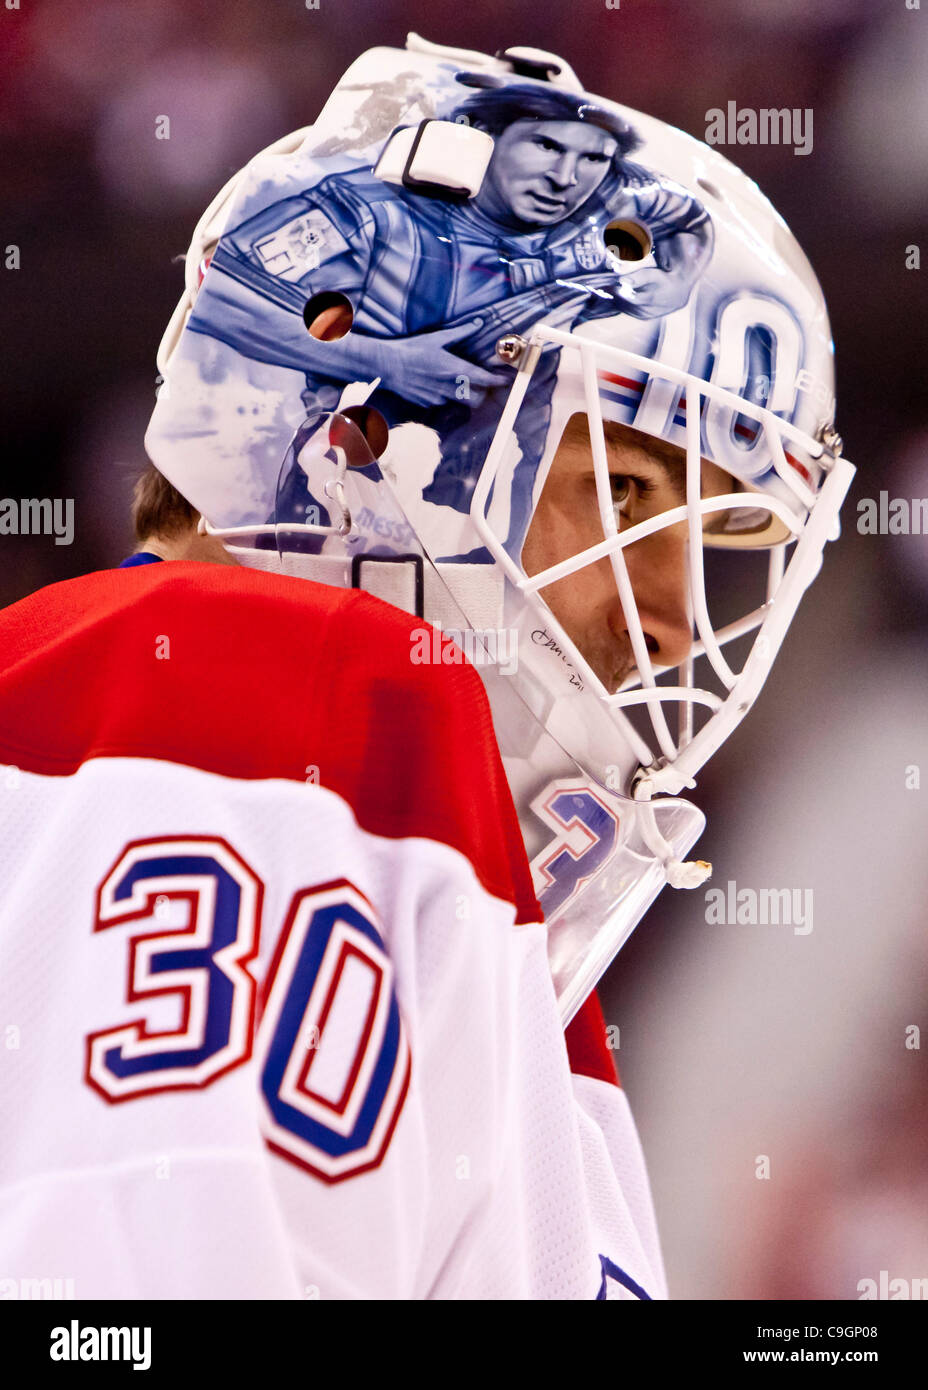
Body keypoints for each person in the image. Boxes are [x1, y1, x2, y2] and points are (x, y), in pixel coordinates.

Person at [0, 35, 854, 1300]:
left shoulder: (502, 946)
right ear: (356, 448)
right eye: (615, 491)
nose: (672, 623)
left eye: (713, 540)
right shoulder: (233, 702)